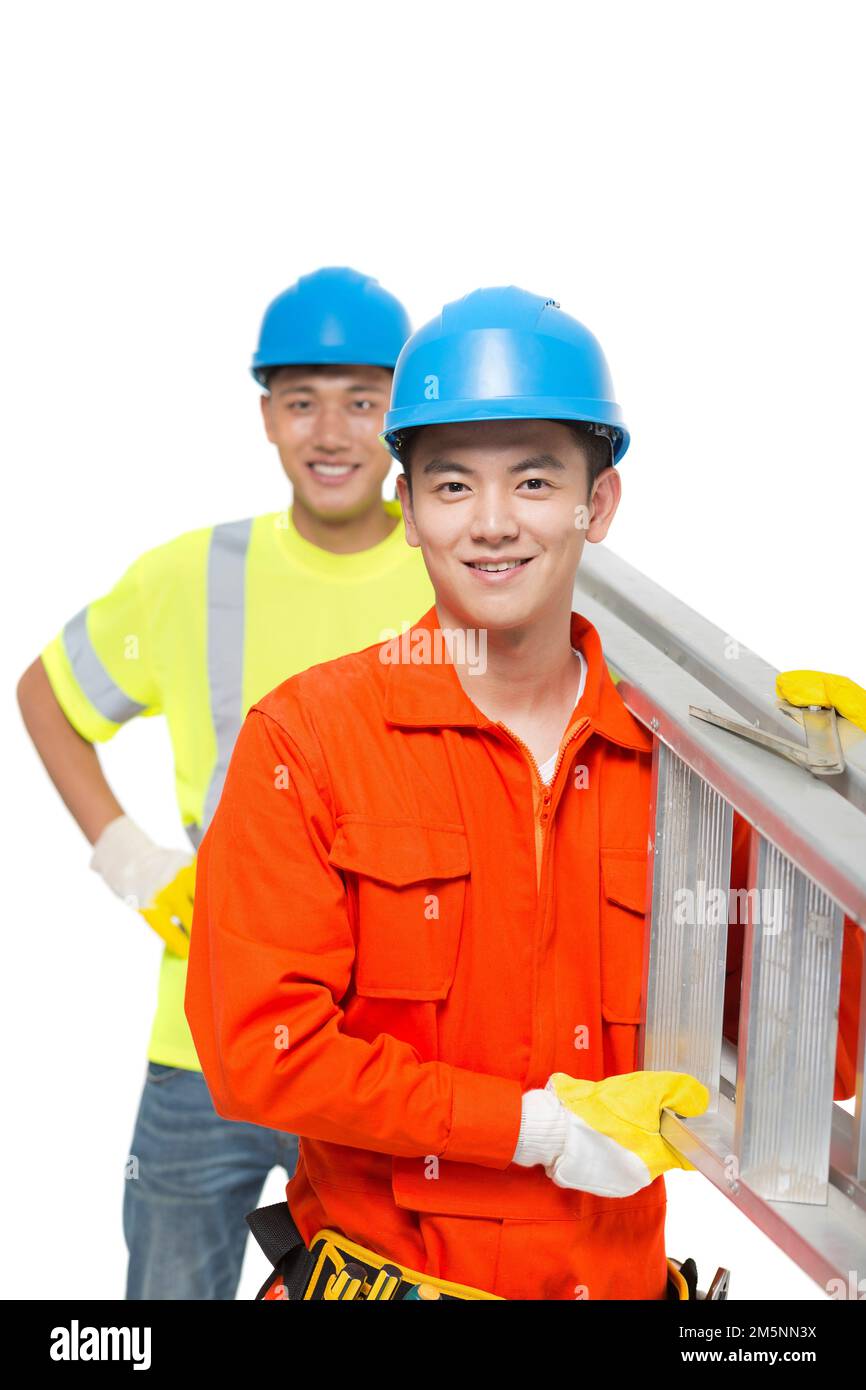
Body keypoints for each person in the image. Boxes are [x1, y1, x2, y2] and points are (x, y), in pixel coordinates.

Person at [184, 286, 863, 1301]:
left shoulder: (693, 765)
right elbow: (257, 1056)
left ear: (597, 505)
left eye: (535, 480)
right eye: (452, 486)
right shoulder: (311, 740)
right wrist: (535, 1129)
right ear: (404, 509)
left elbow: (808, 1069)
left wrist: (835, 800)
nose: (493, 525)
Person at [16, 266, 433, 1299]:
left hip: (391, 1048)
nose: (330, 431)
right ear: (265, 417)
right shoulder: (193, 576)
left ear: (406, 414)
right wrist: (133, 860)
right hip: (206, 1035)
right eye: (301, 400)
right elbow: (46, 694)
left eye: (362, 401)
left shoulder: (457, 569)